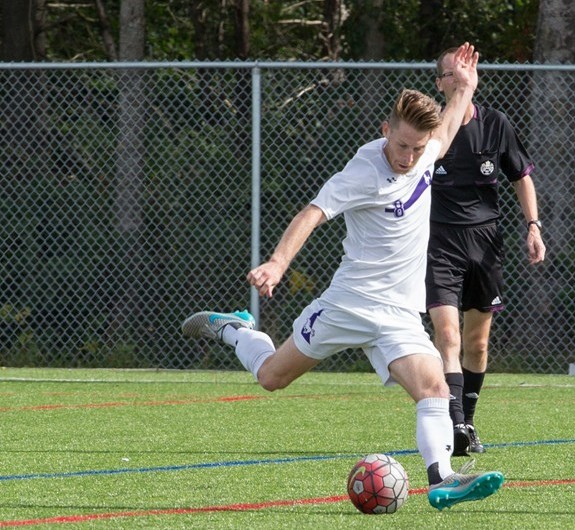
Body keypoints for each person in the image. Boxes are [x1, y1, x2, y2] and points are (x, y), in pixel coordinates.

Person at [180, 44, 504, 511]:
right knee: (272, 378)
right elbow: (311, 215)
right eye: (401, 145)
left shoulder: (425, 149)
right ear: (385, 131)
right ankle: (235, 330)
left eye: (417, 149)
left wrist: (466, 87)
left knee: (433, 387)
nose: (408, 157)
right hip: (348, 304)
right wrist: (276, 263)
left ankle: (442, 478)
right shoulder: (362, 172)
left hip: (397, 314)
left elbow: (449, 125)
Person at [426, 47, 546, 457]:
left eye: (463, 72)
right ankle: (453, 423)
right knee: (447, 335)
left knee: (476, 344)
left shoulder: (496, 124)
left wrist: (533, 225)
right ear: (440, 83)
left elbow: (521, 177)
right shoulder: (429, 130)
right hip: (439, 243)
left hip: (485, 245)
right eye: (449, 74)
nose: (456, 79)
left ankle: (468, 420)